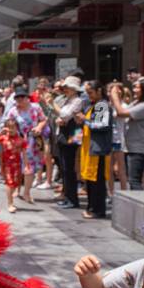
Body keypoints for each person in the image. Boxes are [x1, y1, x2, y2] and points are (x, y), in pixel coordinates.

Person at [110, 78, 144, 190]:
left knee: (134, 181)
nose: (134, 90)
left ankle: (138, 207)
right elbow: (118, 112)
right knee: (133, 180)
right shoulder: (137, 103)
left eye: (137, 87)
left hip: (139, 149)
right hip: (131, 148)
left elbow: (121, 113)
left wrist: (115, 96)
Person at [79, 80, 113, 219]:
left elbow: (100, 125)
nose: (89, 96)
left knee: (97, 181)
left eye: (91, 93)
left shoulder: (101, 105)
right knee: (90, 180)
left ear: (99, 90)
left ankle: (97, 210)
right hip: (90, 148)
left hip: (98, 149)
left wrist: (84, 120)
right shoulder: (93, 106)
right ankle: (92, 207)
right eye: (87, 93)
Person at [52, 76, 84, 209]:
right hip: (64, 135)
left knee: (69, 168)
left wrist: (52, 104)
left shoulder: (77, 100)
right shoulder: (68, 100)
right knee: (64, 168)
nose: (64, 89)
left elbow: (64, 115)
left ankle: (72, 199)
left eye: (67, 87)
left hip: (72, 136)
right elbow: (62, 117)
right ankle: (67, 196)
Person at [0, 116, 25, 212]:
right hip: (7, 165)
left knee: (16, 183)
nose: (11, 130)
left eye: (13, 127)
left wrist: (26, 164)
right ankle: (10, 203)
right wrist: (1, 132)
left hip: (17, 164)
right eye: (9, 127)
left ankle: (12, 195)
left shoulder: (20, 139)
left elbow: (24, 152)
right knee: (9, 183)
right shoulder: (4, 138)